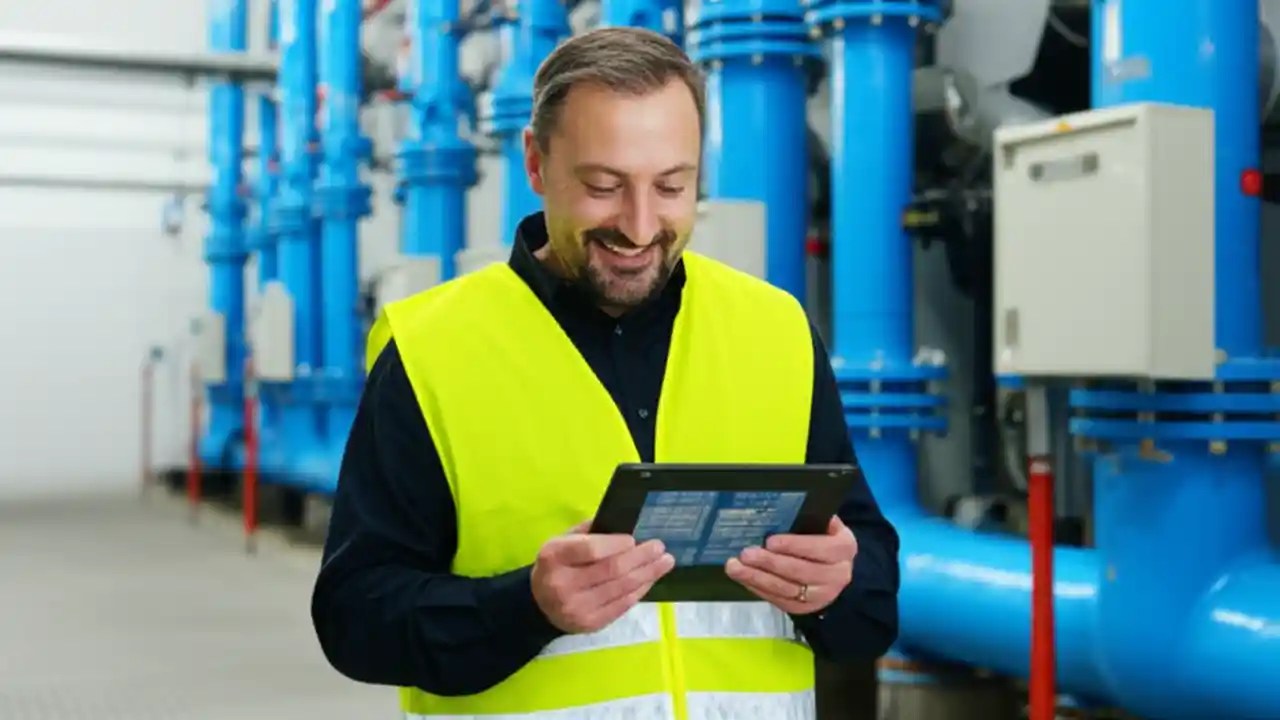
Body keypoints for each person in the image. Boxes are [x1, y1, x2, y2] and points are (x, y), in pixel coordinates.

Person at [311, 25, 900, 719]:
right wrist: (525, 605)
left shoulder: (775, 331)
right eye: (603, 186)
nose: (641, 225)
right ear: (535, 162)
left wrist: (835, 586)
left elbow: (871, 595)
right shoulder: (432, 349)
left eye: (672, 186)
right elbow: (356, 616)